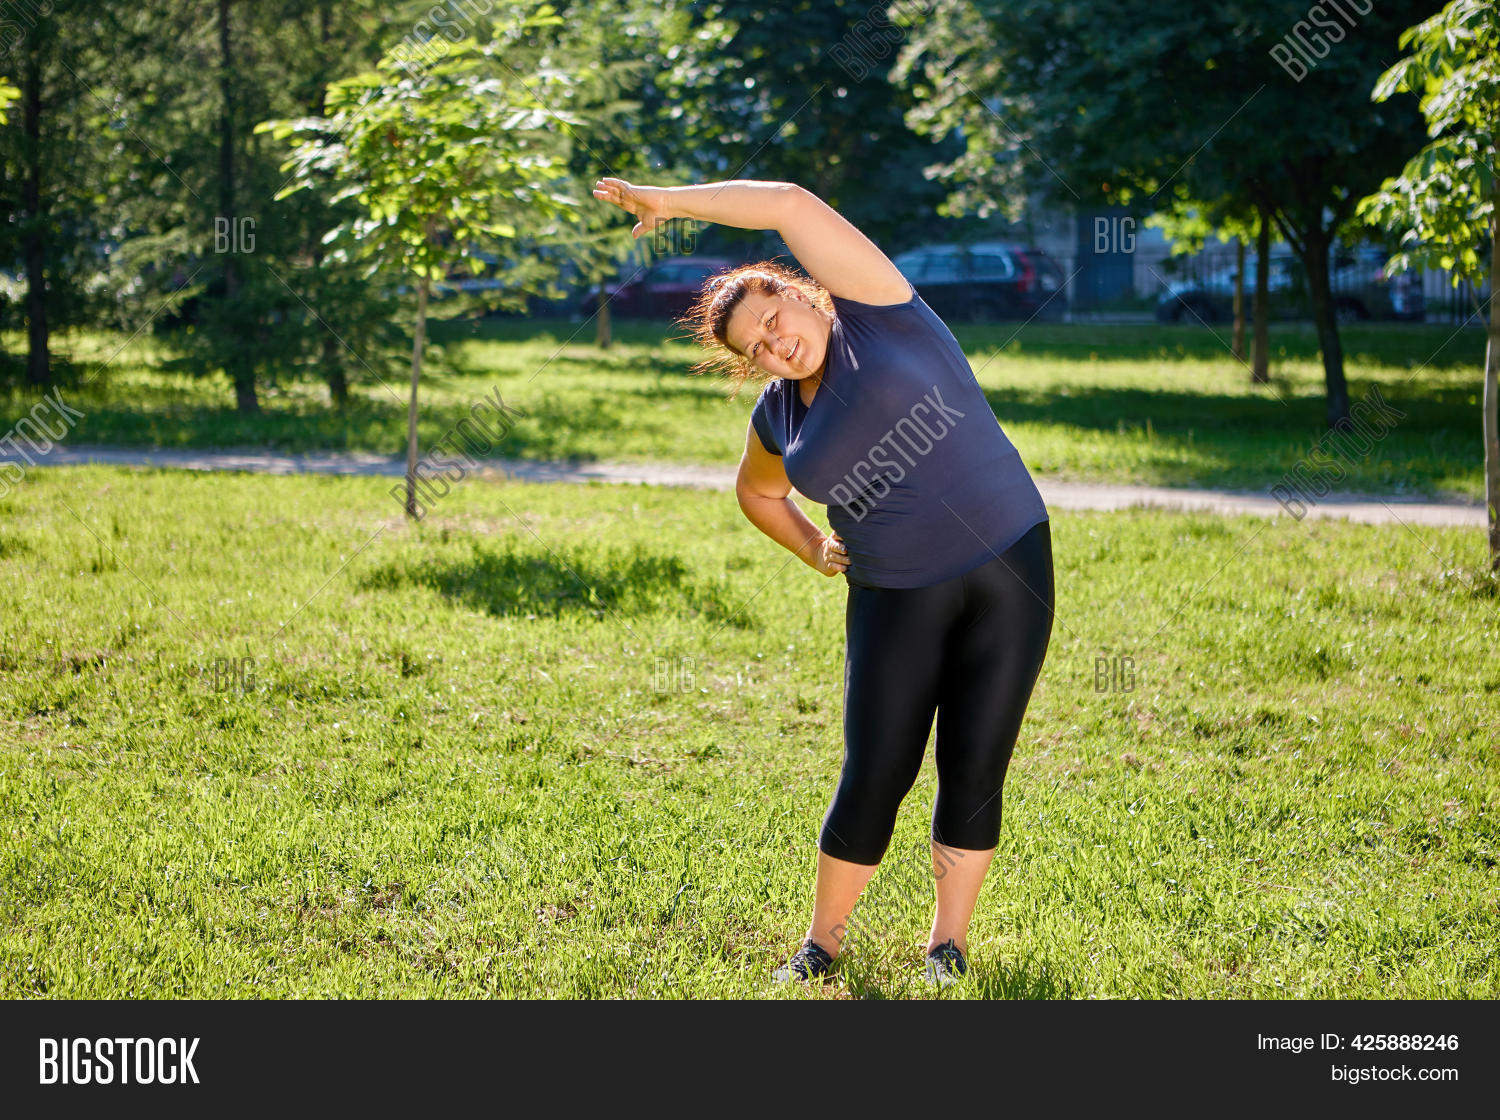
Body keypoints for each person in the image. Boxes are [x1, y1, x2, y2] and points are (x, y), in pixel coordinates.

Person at [593, 176, 1056, 987]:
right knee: (876, 768)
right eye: (756, 348)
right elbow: (757, 491)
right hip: (892, 593)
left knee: (976, 763)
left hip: (1008, 563)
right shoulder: (781, 414)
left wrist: (667, 202)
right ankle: (823, 944)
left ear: (803, 293)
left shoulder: (878, 308)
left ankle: (946, 945)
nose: (775, 346)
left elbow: (787, 204)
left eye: (775, 320)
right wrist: (811, 546)